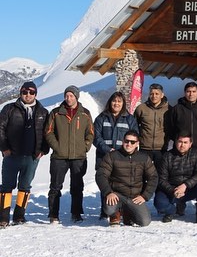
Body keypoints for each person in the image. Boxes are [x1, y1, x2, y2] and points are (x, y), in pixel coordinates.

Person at [0, 82, 49, 226]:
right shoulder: (9, 109)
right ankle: (3, 218)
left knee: (25, 186)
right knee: (6, 187)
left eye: (31, 92)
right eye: (25, 92)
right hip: (12, 155)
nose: (28, 95)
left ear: (35, 94)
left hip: (32, 157)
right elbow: (0, 129)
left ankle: (19, 217)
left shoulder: (42, 112)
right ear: (20, 93)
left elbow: (48, 133)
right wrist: (4, 148)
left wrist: (43, 150)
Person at [45, 85, 94, 223]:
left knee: (77, 186)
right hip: (59, 157)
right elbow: (48, 132)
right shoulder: (56, 113)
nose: (68, 98)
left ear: (76, 97)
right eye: (66, 95)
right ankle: (53, 215)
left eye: (71, 95)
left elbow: (90, 133)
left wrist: (85, 147)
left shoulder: (85, 113)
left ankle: (76, 213)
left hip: (78, 156)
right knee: (55, 186)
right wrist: (57, 146)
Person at [95, 131, 157, 226]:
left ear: (137, 144)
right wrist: (108, 192)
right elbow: (101, 175)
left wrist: (144, 196)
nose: (129, 144)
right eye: (126, 141)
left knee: (145, 222)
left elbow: (153, 177)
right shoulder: (112, 156)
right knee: (109, 208)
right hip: (117, 195)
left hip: (135, 196)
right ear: (122, 141)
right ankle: (115, 214)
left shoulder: (144, 158)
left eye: (132, 142)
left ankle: (128, 212)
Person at [154, 133, 197, 223]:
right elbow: (161, 179)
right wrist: (173, 190)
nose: (182, 145)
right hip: (172, 190)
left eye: (185, 142)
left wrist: (185, 185)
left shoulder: (195, 154)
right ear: (176, 142)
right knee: (159, 203)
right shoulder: (167, 156)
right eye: (180, 142)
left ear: (190, 144)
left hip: (189, 188)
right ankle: (171, 211)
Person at [170, 82, 197, 174]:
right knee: (180, 174)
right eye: (188, 91)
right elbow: (171, 127)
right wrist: (178, 140)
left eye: (194, 91)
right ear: (184, 92)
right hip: (182, 148)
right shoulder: (177, 109)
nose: (191, 94)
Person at [93, 91, 139, 168]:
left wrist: (123, 151)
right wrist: (108, 150)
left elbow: (134, 137)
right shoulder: (101, 118)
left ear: (123, 103)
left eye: (119, 101)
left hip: (123, 158)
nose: (116, 103)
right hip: (103, 157)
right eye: (114, 101)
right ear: (110, 102)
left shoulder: (130, 119)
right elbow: (96, 137)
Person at [134, 83, 171, 169]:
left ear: (162, 95)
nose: (154, 96)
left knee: (160, 173)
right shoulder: (141, 108)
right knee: (143, 173)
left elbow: (172, 127)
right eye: (151, 94)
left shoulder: (169, 109)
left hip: (161, 148)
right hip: (144, 148)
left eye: (157, 94)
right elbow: (134, 126)